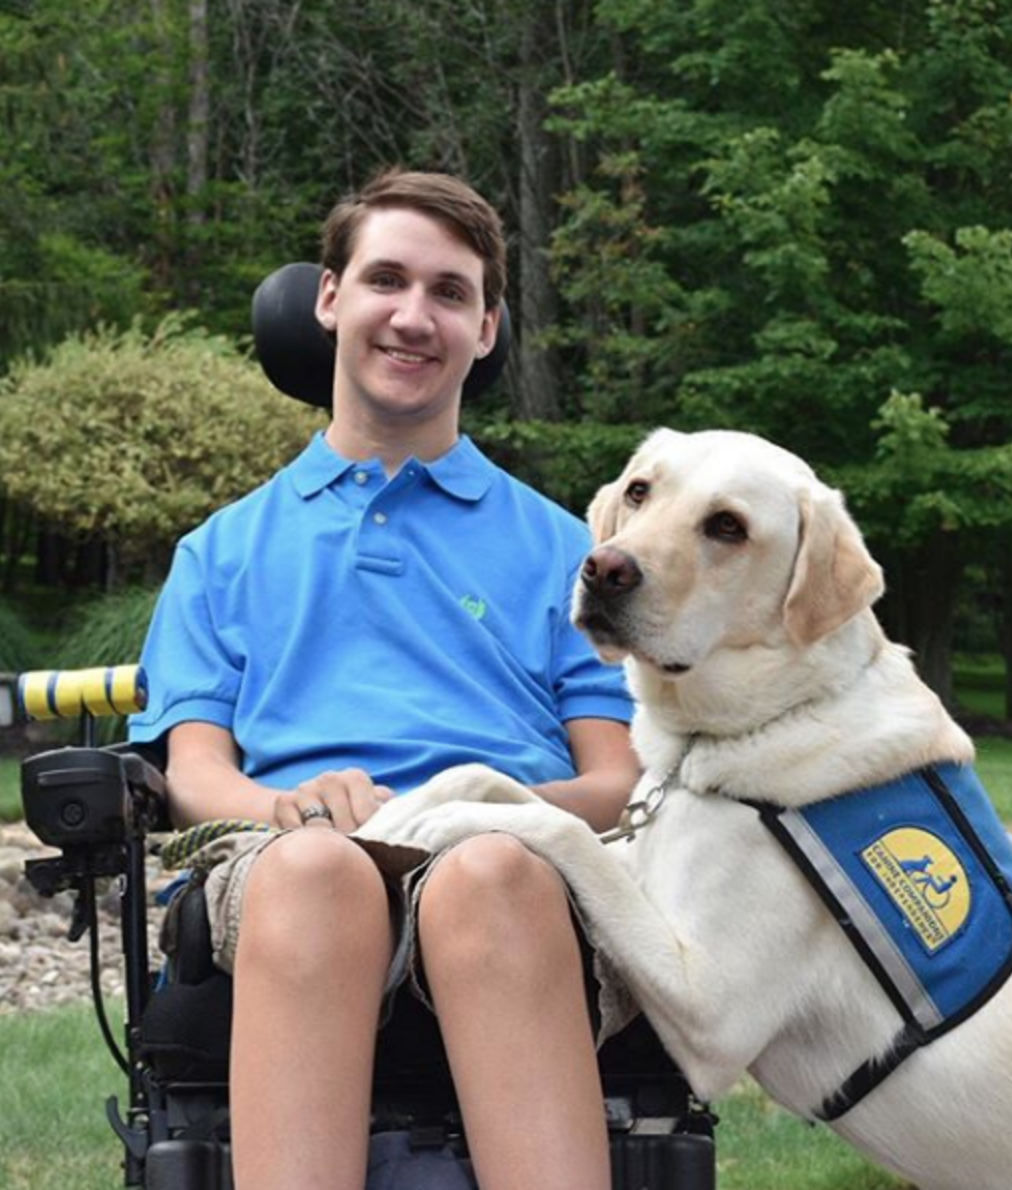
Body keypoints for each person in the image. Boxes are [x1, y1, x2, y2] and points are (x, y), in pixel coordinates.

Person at [129, 168, 641, 1190]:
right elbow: (192, 771)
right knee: (319, 870)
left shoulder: (565, 550)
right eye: (386, 280)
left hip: (513, 850)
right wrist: (291, 807)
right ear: (329, 299)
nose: (414, 316)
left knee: (490, 871)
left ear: (486, 328)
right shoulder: (221, 551)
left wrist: (479, 807)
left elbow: (618, 777)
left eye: (450, 292)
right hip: (288, 852)